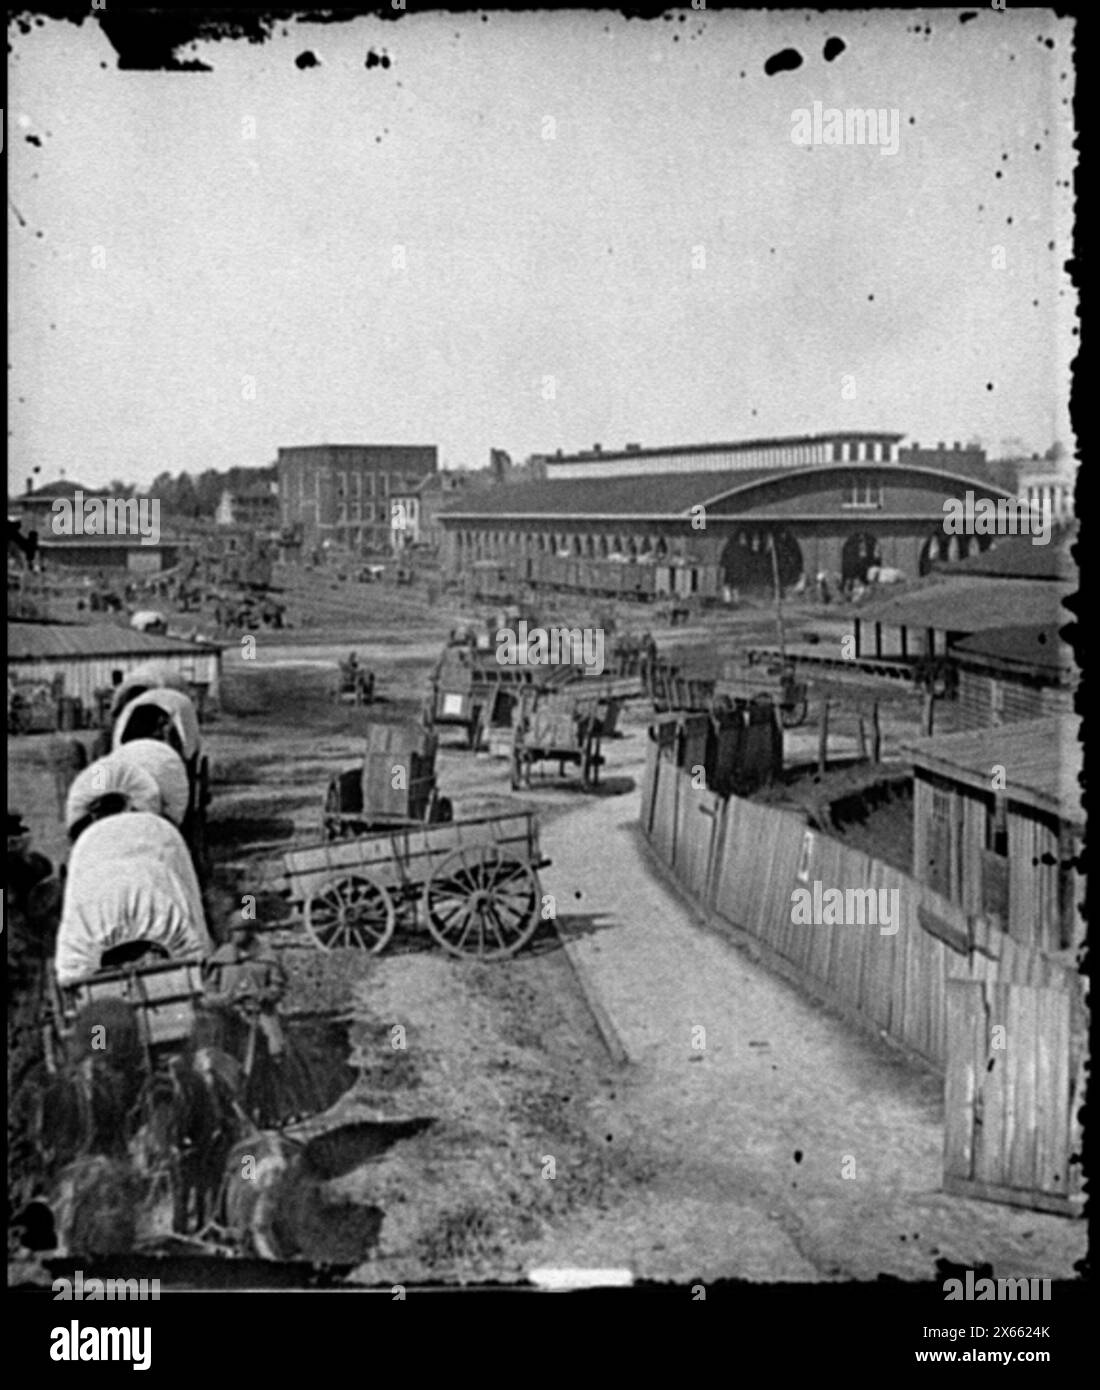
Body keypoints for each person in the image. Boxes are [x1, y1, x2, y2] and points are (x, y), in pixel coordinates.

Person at [203, 923, 288, 1072]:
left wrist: (266, 995)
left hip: (259, 1011)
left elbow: (278, 986)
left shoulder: (267, 958)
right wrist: (223, 998)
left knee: (276, 1049)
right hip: (228, 1012)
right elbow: (209, 990)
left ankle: (279, 1079)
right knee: (211, 1052)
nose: (238, 934)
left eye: (242, 930)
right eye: (235, 930)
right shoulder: (220, 959)